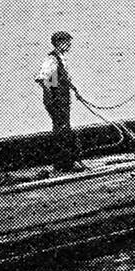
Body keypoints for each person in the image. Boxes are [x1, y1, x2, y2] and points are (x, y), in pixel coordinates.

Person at [35, 31, 84, 172]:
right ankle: (62, 164)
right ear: (59, 43)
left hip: (63, 98)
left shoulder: (61, 58)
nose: (69, 45)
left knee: (64, 128)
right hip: (56, 99)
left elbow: (63, 79)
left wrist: (73, 89)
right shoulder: (51, 59)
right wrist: (51, 97)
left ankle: (67, 162)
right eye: (67, 42)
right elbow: (44, 80)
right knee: (60, 129)